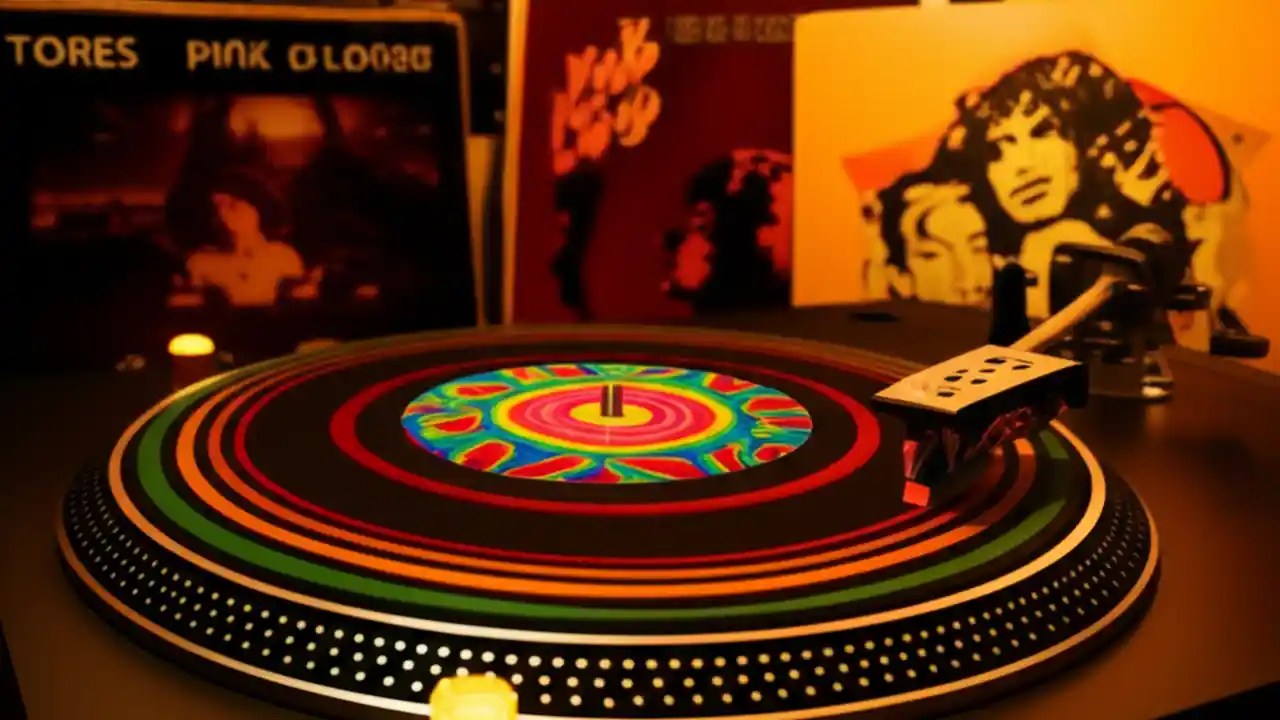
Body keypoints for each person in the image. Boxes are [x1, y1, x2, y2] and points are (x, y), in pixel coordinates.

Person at [178, 167, 320, 308]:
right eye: (218, 207)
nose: (223, 214)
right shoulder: (201, 262)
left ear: (256, 207)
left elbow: (298, 302)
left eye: (233, 205)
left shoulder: (283, 256)